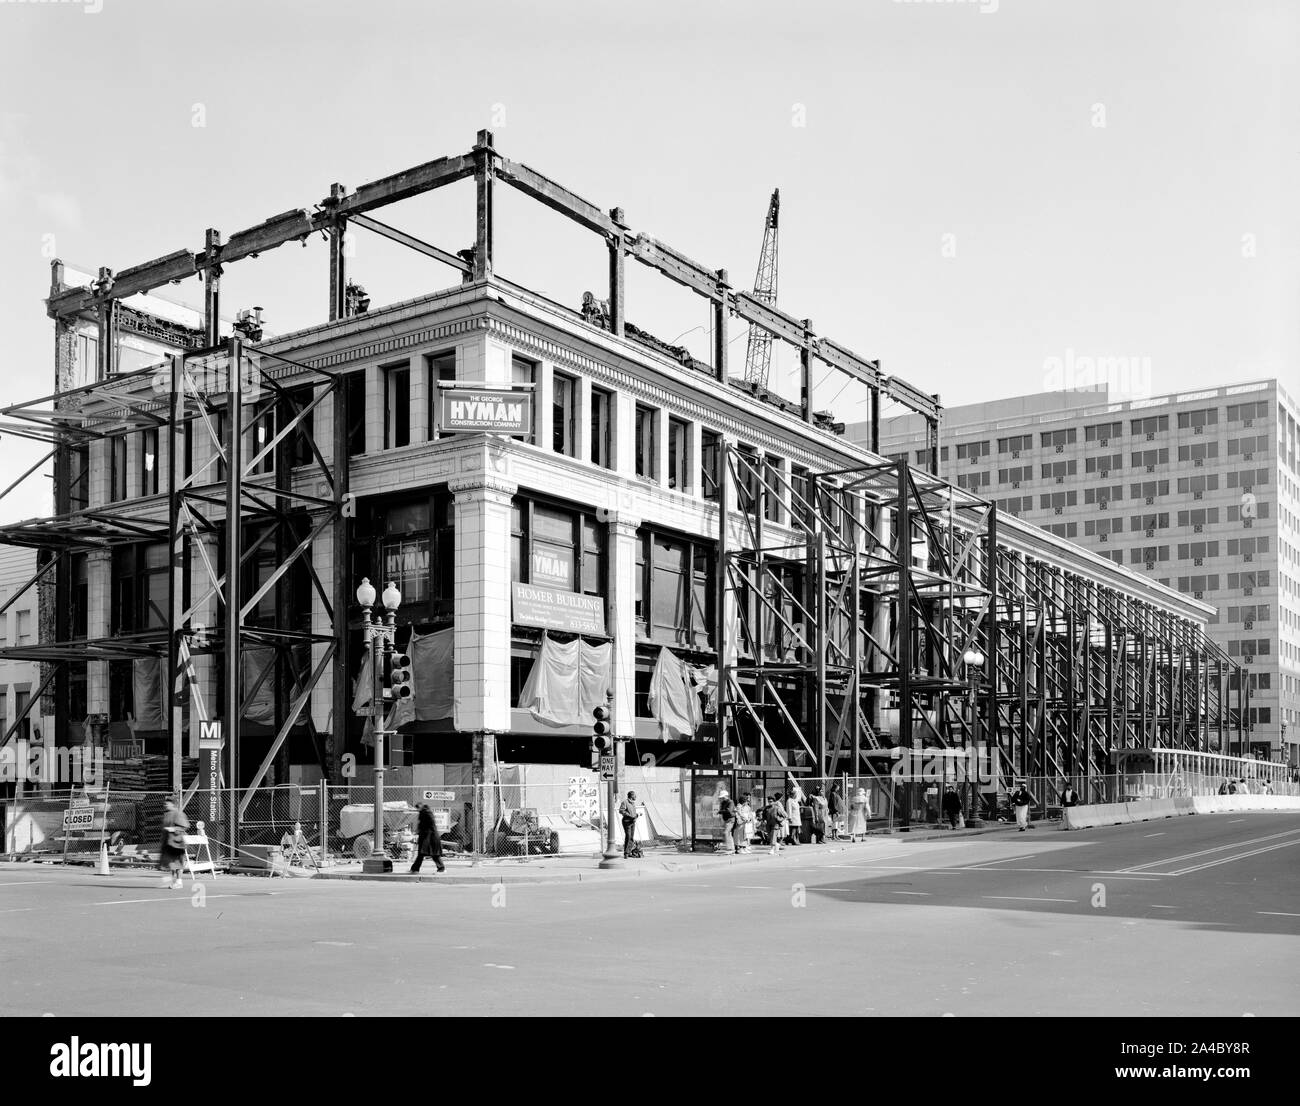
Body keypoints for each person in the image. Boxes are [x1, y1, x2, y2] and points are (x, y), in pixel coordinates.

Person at [158, 797, 189, 889]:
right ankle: (174, 881)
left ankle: (179, 882)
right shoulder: (167, 814)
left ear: (173, 804)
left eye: (167, 804)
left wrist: (173, 829)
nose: (165, 805)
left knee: (178, 863)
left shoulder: (179, 814)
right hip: (168, 842)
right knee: (171, 863)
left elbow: (185, 826)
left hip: (177, 843)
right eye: (165, 803)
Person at [410, 804, 445, 873]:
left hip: (429, 837)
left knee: (432, 854)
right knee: (424, 854)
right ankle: (415, 869)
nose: (417, 810)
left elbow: (429, 826)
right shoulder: (425, 813)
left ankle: (441, 868)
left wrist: (421, 833)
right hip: (428, 837)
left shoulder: (426, 813)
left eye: (417, 809)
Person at [619, 791, 640, 858]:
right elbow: (621, 810)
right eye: (635, 795)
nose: (636, 797)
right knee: (628, 836)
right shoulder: (625, 802)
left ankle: (628, 852)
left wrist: (636, 815)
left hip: (632, 822)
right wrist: (629, 815)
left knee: (631, 838)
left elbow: (633, 813)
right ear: (631, 796)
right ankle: (626, 853)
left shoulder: (633, 803)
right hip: (627, 821)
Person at [718, 789, 738, 854]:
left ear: (726, 796)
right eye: (721, 797)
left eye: (723, 797)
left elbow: (729, 810)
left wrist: (722, 811)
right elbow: (723, 810)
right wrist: (723, 811)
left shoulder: (730, 802)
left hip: (731, 819)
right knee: (729, 834)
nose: (722, 798)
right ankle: (732, 849)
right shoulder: (723, 803)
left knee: (726, 833)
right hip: (726, 819)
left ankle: (729, 849)